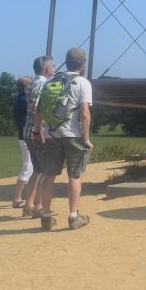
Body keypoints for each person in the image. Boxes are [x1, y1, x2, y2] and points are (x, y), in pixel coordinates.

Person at [36, 47, 93, 231]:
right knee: (74, 176)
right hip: (73, 136)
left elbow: (38, 110)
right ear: (82, 64)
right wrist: (87, 139)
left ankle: (46, 216)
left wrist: (38, 132)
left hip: (51, 134)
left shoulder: (50, 81)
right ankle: (73, 216)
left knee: (48, 176)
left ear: (66, 62)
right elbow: (84, 114)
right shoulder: (83, 83)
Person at [21, 56, 54, 218]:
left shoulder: (30, 84)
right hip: (37, 132)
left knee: (37, 170)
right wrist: (39, 132)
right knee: (45, 171)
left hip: (27, 131)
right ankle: (39, 206)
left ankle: (28, 205)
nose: (53, 68)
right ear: (47, 69)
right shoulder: (43, 85)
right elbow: (37, 109)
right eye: (52, 66)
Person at [11, 75, 33, 209]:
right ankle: (17, 198)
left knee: (31, 167)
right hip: (26, 137)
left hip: (23, 136)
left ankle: (28, 197)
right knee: (28, 167)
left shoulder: (20, 99)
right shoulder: (25, 100)